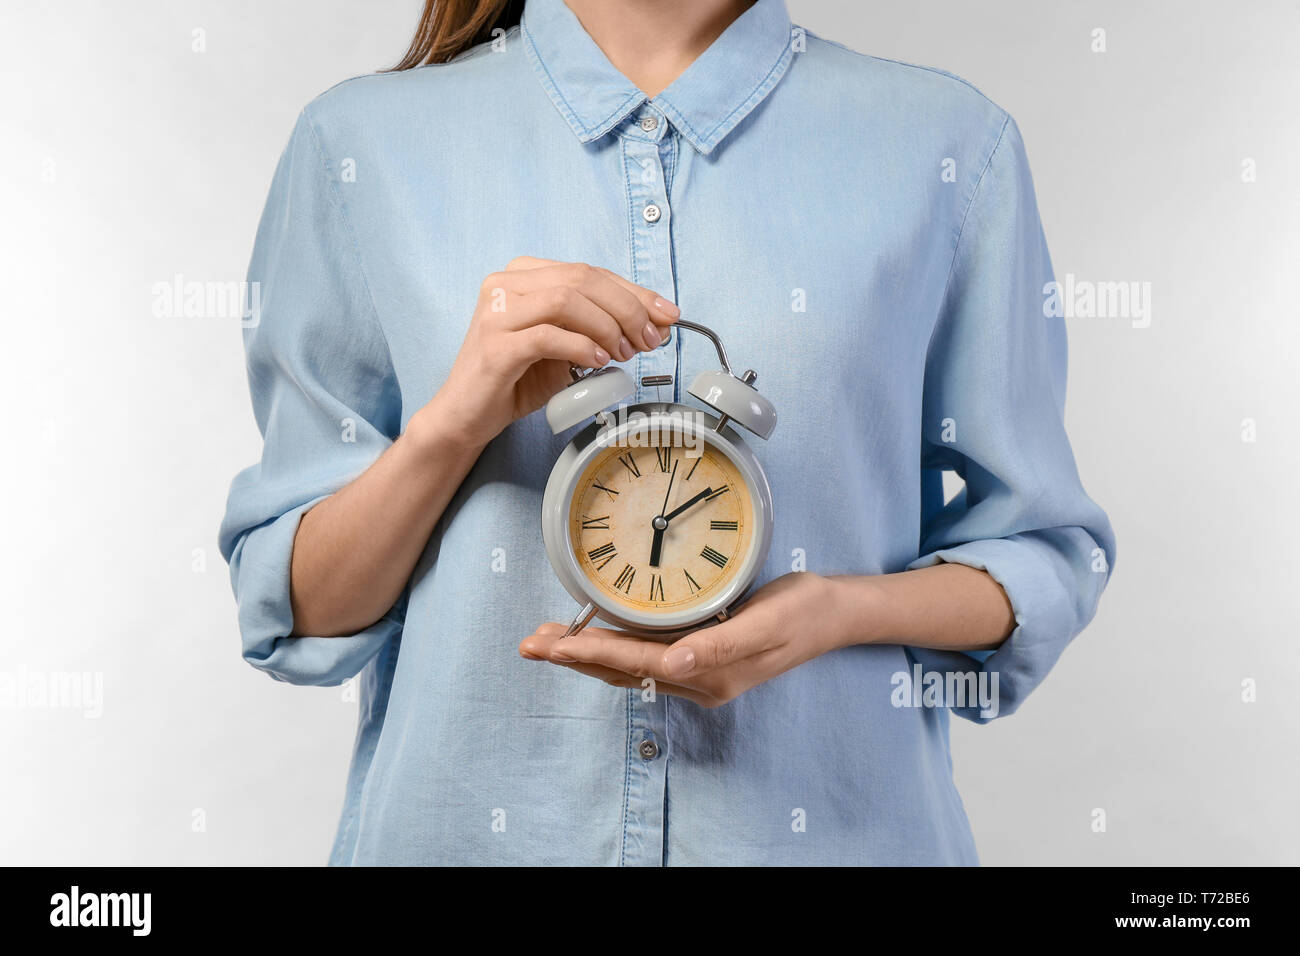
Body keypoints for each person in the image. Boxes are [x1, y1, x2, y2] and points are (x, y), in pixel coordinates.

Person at [219, 0, 1115, 865]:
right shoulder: (359, 145)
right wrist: (454, 423)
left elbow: (1042, 554)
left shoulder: (947, 143)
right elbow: (303, 611)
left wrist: (839, 612)